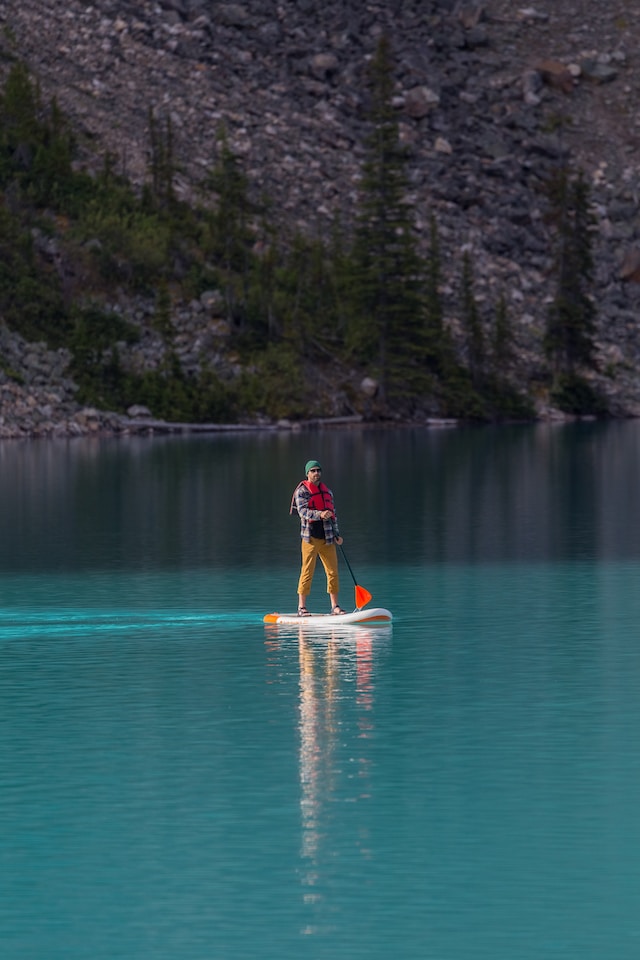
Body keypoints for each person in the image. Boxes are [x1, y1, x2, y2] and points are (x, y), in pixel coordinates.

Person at [290, 459, 345, 616]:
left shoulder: (328, 492)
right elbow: (303, 512)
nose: (316, 473)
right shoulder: (301, 492)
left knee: (333, 572)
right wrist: (320, 514)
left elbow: (333, 515)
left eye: (318, 470)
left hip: (328, 537)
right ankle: (301, 607)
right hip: (310, 538)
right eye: (313, 471)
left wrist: (337, 534)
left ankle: (335, 606)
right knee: (307, 572)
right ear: (307, 473)